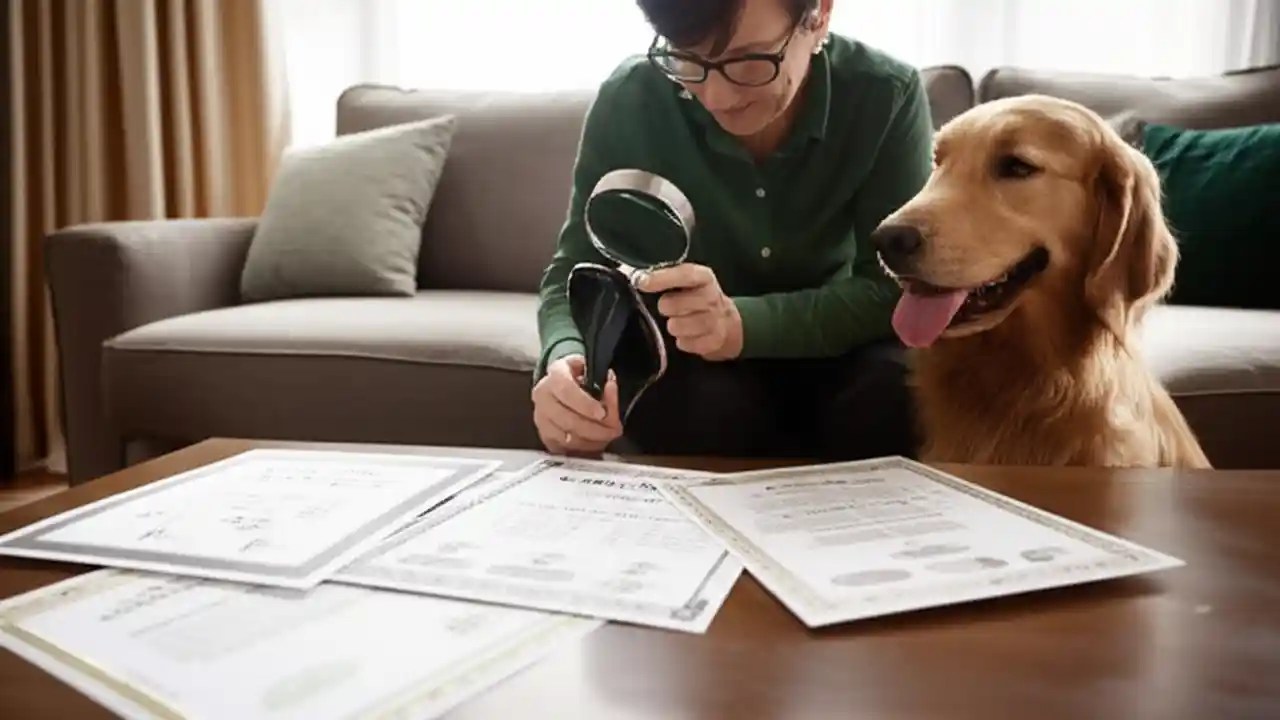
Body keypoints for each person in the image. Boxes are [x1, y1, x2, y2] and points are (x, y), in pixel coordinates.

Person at [531, 0, 934, 460]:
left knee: (895, 392)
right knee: (691, 404)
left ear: (819, 14)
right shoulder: (633, 97)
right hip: (695, 366)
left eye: (749, 61)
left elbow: (894, 289)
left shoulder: (885, 94)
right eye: (687, 57)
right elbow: (575, 273)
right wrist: (564, 362)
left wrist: (742, 325)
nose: (718, 97)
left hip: (841, 349)